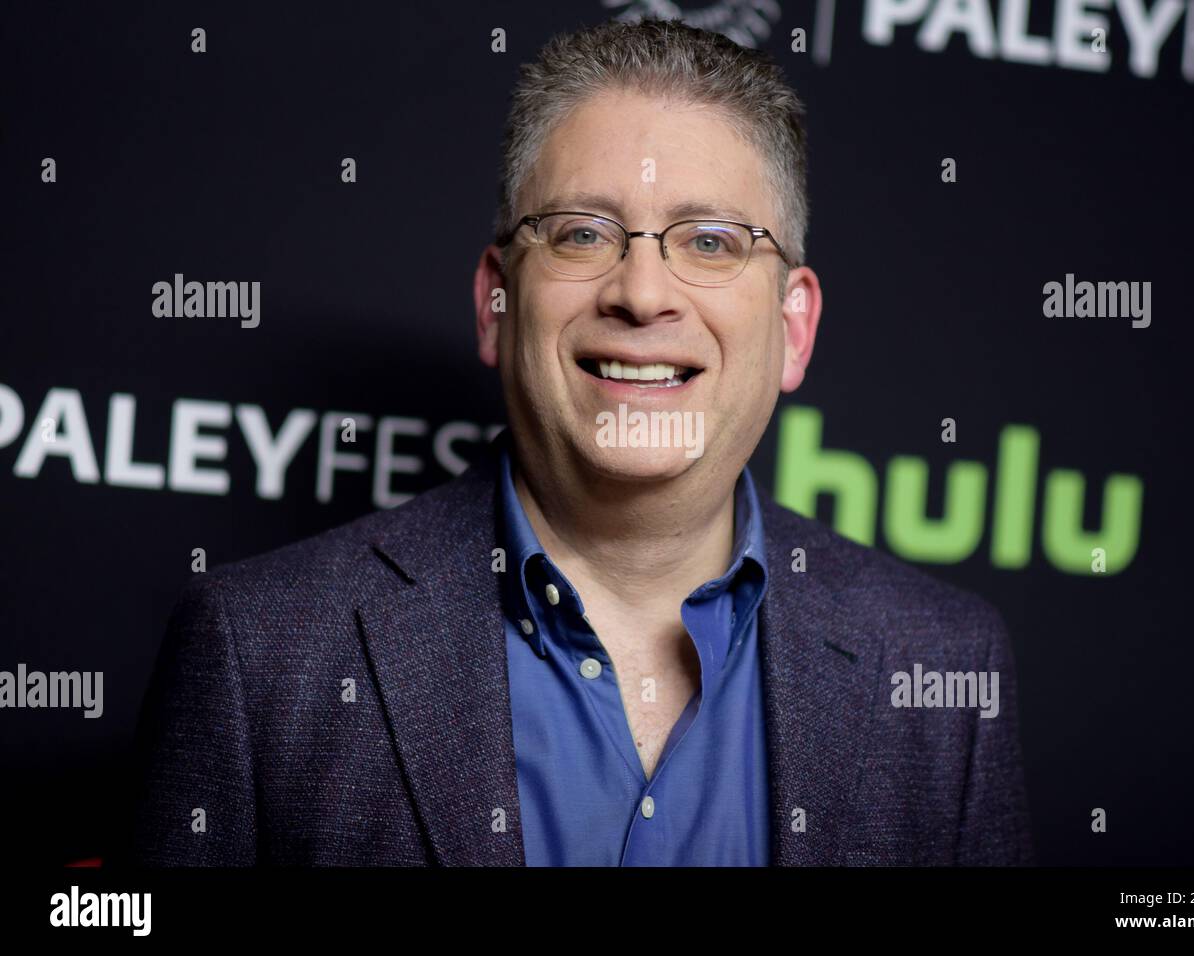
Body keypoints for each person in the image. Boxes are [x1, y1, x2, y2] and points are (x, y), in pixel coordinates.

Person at [128, 16, 1033, 866]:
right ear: (497, 300)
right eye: (582, 234)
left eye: (710, 242)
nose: (642, 292)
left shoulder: (941, 671)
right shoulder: (259, 656)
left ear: (794, 329)